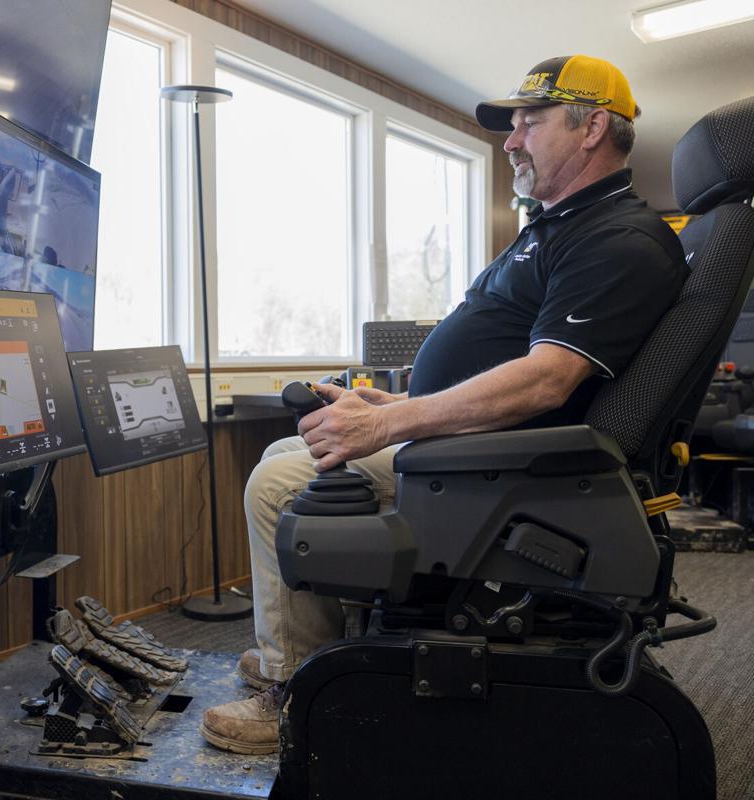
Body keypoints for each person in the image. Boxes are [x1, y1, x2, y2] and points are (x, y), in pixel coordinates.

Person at [200, 55, 689, 755]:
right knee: (290, 449)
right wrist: (401, 399)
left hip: (515, 473)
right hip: (478, 447)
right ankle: (313, 648)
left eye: (529, 123)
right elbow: (502, 356)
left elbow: (548, 381)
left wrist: (388, 422)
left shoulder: (620, 240)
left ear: (592, 129)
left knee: (281, 481)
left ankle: (293, 693)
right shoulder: (561, 227)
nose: (510, 141)